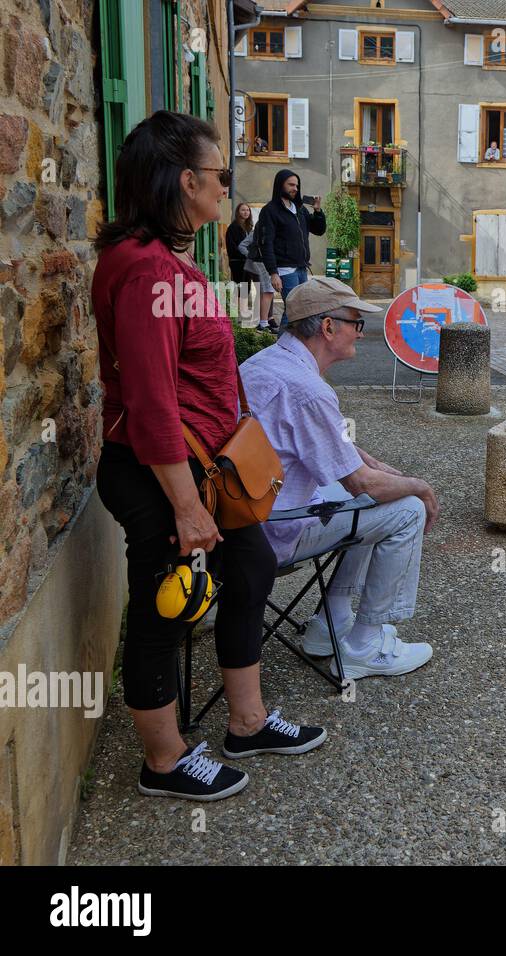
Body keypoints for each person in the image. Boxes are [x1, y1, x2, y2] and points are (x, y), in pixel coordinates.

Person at [92, 111, 326, 803]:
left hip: (202, 465)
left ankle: (247, 721)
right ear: (185, 179)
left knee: (251, 564)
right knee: (165, 610)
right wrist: (186, 506)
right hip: (158, 472)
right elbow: (151, 401)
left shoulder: (164, 262)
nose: (227, 188)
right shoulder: (141, 270)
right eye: (220, 176)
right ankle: (162, 762)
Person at [241, 277, 439, 680]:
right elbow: (361, 485)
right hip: (274, 531)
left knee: (375, 501)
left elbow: (317, 442)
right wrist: (420, 487)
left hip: (243, 518)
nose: (360, 333)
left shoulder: (264, 364)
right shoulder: (307, 388)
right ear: (328, 328)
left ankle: (327, 623)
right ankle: (364, 645)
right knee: (405, 510)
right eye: (355, 323)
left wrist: (369, 461)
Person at [259, 169, 325, 306]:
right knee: (293, 310)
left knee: (298, 310)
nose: (295, 188)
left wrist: (318, 211)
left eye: (296, 185)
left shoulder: (300, 209)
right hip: (285, 269)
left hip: (301, 268)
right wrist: (273, 273)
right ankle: (283, 328)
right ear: (280, 185)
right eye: (291, 185)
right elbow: (266, 243)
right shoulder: (270, 210)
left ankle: (288, 328)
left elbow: (319, 230)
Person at [239, 217, 279, 332]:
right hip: (257, 266)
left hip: (264, 265)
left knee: (267, 292)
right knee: (266, 292)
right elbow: (241, 246)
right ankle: (263, 322)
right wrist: (252, 255)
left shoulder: (271, 232)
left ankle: (267, 319)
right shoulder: (257, 231)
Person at [224, 201, 253, 283]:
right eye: (243, 210)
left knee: (247, 287)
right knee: (241, 287)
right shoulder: (233, 227)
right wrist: (244, 255)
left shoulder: (249, 227)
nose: (246, 212)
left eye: (248, 210)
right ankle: (239, 296)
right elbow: (232, 247)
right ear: (238, 212)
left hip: (247, 261)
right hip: (238, 262)